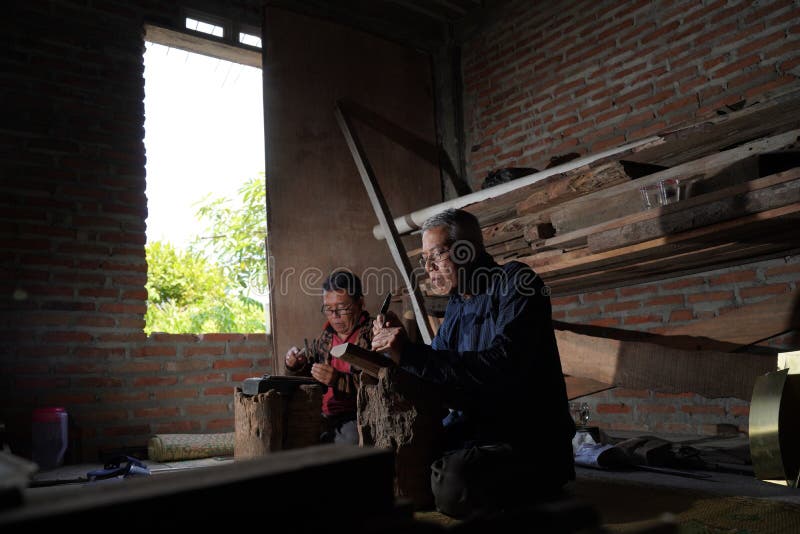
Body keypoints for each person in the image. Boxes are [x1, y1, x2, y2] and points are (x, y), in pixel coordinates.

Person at [371, 208, 575, 518]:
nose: (429, 268)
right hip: (475, 434)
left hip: (524, 439)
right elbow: (438, 375)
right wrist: (401, 349)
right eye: (424, 260)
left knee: (453, 484)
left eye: (436, 256)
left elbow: (502, 364)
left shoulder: (517, 283)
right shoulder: (457, 305)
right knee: (394, 463)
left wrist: (410, 354)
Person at [285, 270, 373, 445]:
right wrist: (295, 365)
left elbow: (381, 385)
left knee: (350, 439)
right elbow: (305, 378)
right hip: (323, 415)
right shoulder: (325, 338)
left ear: (360, 303)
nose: (334, 315)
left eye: (342, 308)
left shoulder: (373, 335)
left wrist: (338, 381)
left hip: (358, 415)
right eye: (328, 309)